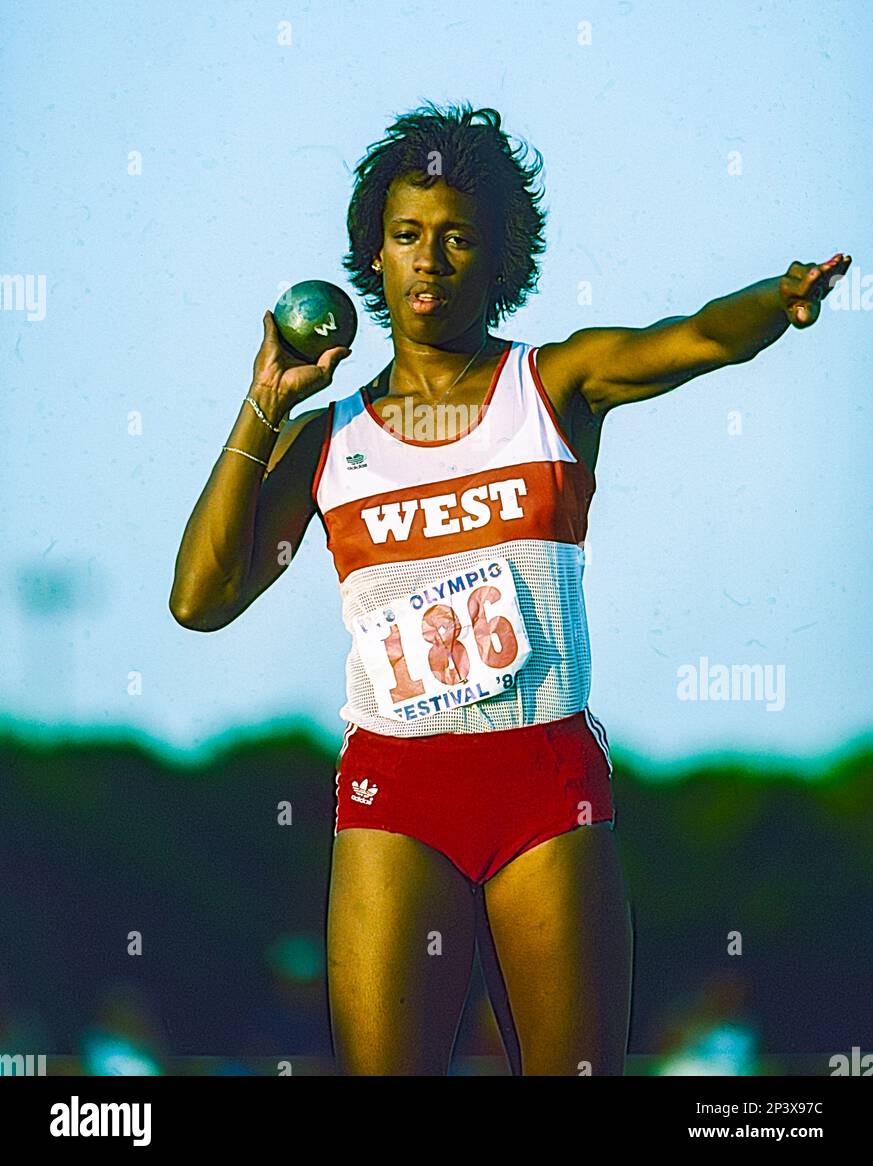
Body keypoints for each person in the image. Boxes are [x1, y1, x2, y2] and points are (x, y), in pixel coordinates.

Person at [169, 101, 851, 1076]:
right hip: (396, 786)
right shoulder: (330, 443)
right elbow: (200, 598)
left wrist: (776, 300)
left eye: (458, 239)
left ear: (500, 258)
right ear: (376, 253)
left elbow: (695, 336)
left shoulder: (554, 386)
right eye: (406, 235)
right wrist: (267, 401)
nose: (430, 259)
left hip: (545, 783)